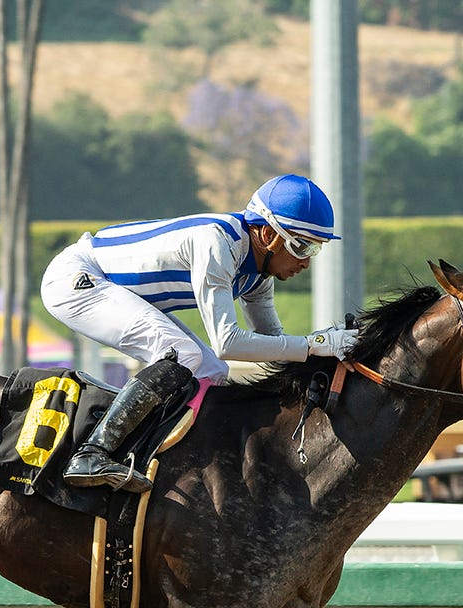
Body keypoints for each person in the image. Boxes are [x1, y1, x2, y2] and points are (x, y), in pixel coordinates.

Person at [40, 173, 358, 493]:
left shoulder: (258, 277)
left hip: (107, 284)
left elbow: (277, 347)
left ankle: (168, 457)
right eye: (301, 245)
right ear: (266, 233)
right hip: (78, 279)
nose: (305, 262)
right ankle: (92, 453)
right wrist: (315, 344)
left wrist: (329, 355)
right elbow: (226, 342)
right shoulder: (216, 243)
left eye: (314, 249)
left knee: (211, 371)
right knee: (183, 354)